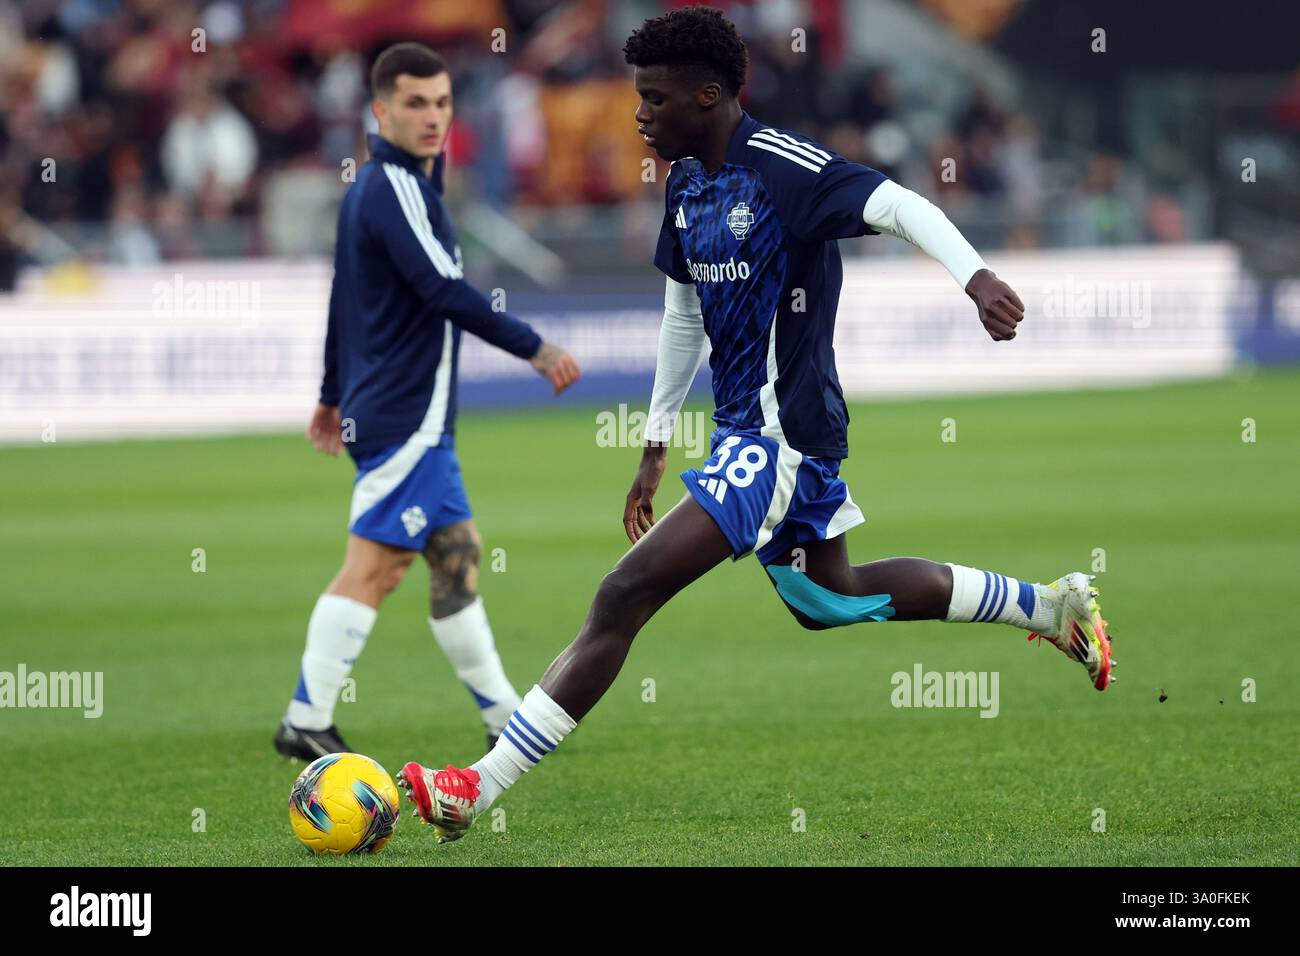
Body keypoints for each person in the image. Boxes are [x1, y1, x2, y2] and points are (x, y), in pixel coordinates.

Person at [396, 7, 1112, 842]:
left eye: (655, 98)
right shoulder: (686, 182)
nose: (639, 114)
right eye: (639, 97)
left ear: (709, 95)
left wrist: (977, 278)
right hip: (744, 432)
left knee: (625, 592)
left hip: (781, 439)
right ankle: (1048, 609)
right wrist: (655, 440)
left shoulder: (784, 168)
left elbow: (902, 204)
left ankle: (475, 789)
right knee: (827, 596)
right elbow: (682, 313)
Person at [274, 42, 580, 761]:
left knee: (456, 555)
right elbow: (442, 290)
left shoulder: (384, 187)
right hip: (405, 415)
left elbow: (343, 297)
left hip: (407, 415)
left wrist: (329, 393)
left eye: (442, 102)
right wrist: (535, 346)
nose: (433, 116)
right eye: (415, 103)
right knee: (376, 568)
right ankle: (306, 717)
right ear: (380, 112)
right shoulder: (394, 186)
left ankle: (504, 716)